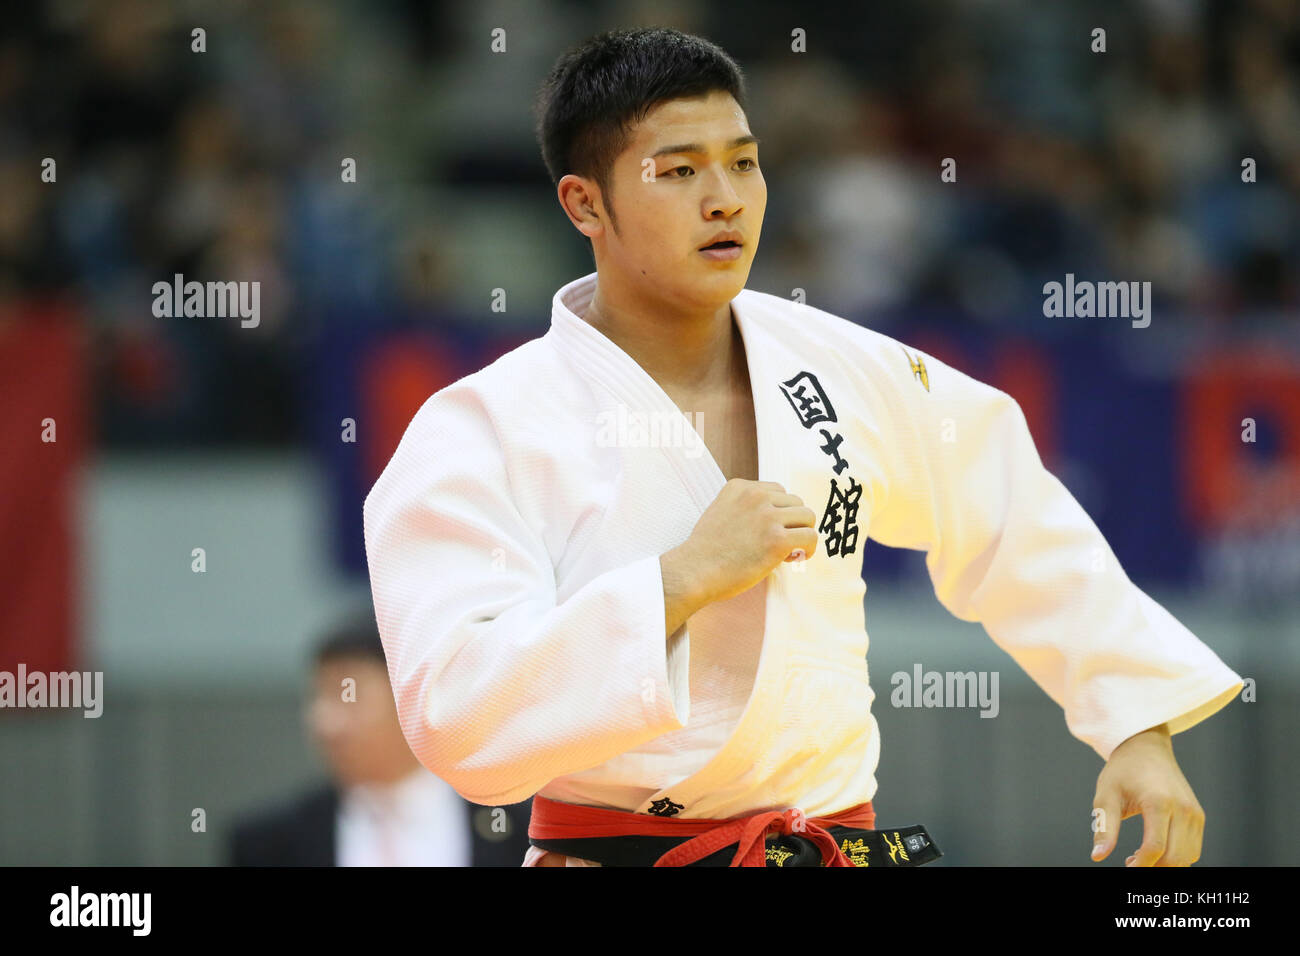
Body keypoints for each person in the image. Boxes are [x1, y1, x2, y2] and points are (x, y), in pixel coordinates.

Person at [362, 27, 1243, 867]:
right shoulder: (482, 426)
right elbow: (454, 712)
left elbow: (1005, 503)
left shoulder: (834, 365)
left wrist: (1134, 723)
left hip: (830, 840)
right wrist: (676, 583)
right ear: (585, 203)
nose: (726, 198)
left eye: (744, 162)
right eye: (679, 171)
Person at [226, 618, 531, 866]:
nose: (324, 721)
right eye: (318, 695)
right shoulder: (270, 841)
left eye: (347, 694)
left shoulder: (519, 829)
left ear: (411, 696)